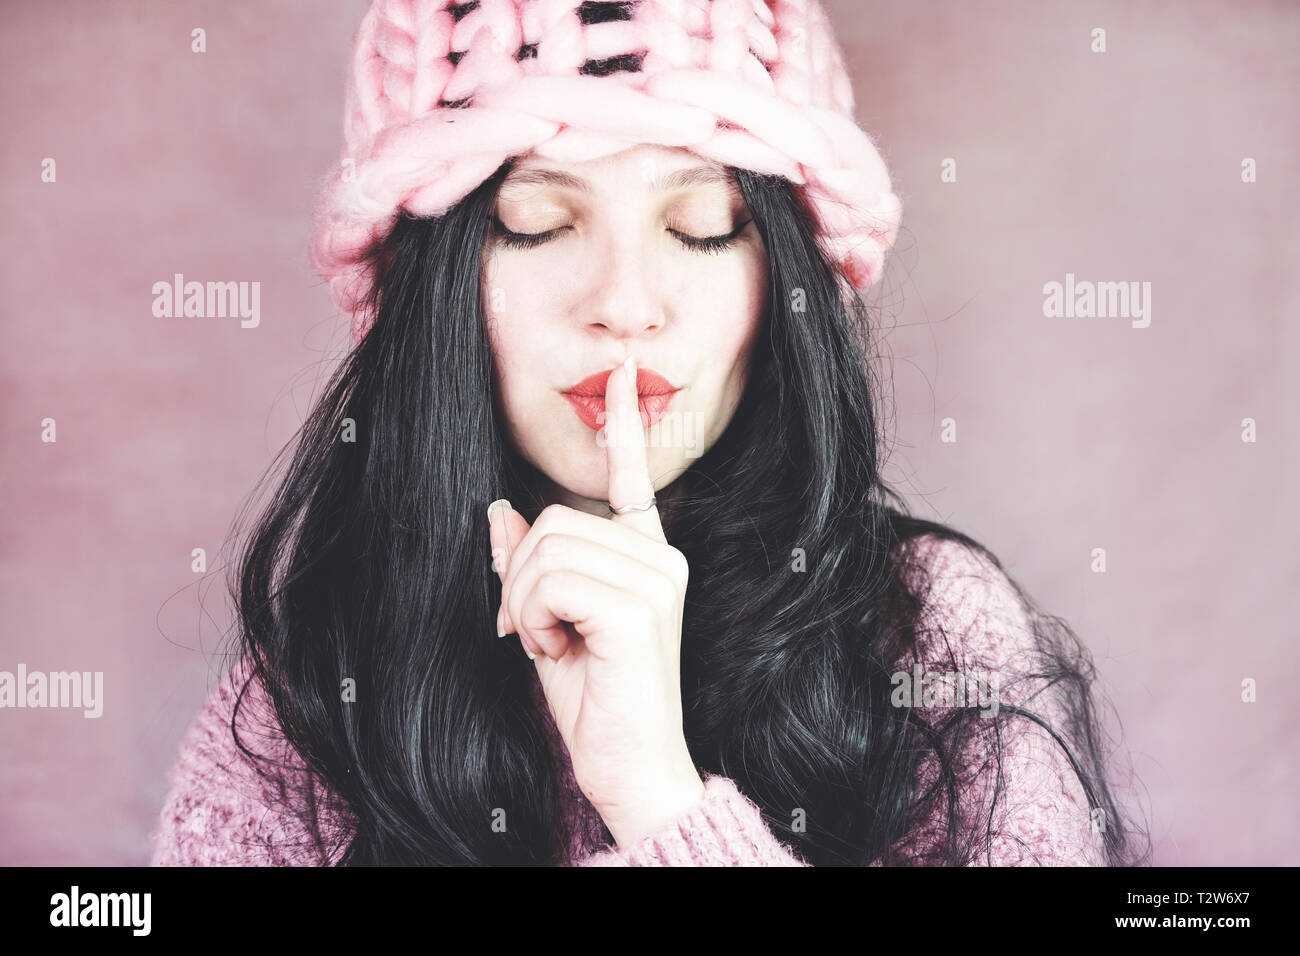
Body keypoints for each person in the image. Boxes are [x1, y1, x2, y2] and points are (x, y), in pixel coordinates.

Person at [151, 0, 1147, 866]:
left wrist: (657, 798)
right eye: (534, 221)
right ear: (433, 283)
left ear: (785, 275)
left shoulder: (931, 635)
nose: (625, 305)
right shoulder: (309, 707)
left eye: (705, 221)